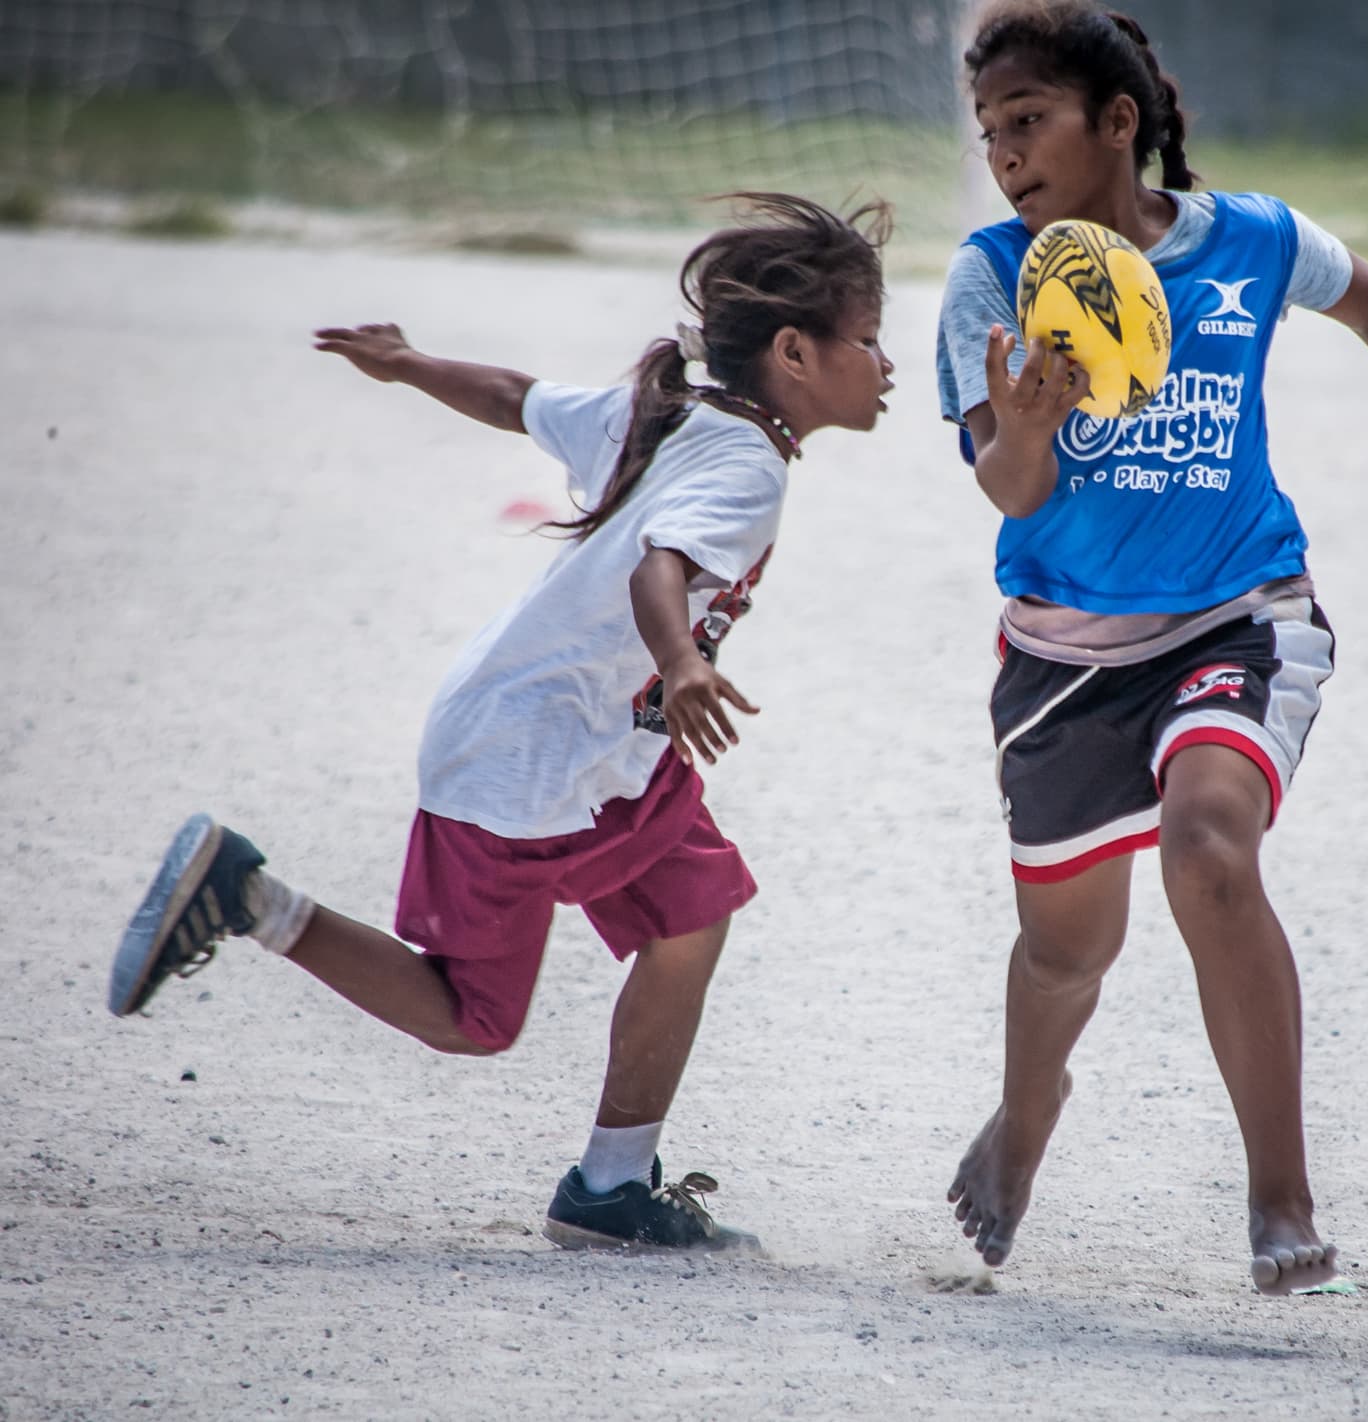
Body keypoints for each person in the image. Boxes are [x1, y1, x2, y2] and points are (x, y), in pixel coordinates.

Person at [108, 193, 897, 1252]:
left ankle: (612, 1187)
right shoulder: (745, 467)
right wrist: (680, 661)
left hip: (583, 750)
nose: (885, 364)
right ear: (795, 353)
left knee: (693, 912)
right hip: (528, 765)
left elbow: (518, 397)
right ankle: (248, 897)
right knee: (472, 1019)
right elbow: (661, 567)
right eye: (869, 339)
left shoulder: (667, 414)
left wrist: (410, 364)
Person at [937, 0, 1368, 1293]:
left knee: (1209, 851)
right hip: (1062, 651)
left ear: (1116, 122)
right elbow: (1009, 489)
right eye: (989, 130)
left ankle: (1281, 1199)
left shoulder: (1253, 241)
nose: (1003, 153)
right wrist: (1030, 426)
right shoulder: (990, 277)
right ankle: (1027, 1112)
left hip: (1238, 617)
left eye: (1028, 121)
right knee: (1066, 952)